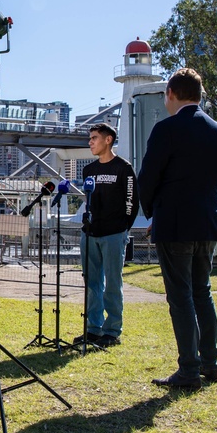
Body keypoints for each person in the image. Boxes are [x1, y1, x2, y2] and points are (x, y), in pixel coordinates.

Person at [138, 68, 217, 389]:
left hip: (175, 222)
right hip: (207, 222)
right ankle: (209, 363)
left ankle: (189, 370)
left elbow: (147, 179)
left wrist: (152, 213)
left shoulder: (167, 129)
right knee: (202, 292)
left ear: (172, 94)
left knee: (181, 297)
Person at [76, 123, 138, 348]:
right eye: (89, 139)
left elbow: (132, 203)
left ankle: (111, 330)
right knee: (92, 283)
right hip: (90, 234)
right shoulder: (88, 170)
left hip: (114, 234)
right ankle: (93, 329)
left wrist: (123, 228)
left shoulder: (124, 168)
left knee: (112, 282)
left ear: (108, 139)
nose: (90, 142)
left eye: (94, 138)